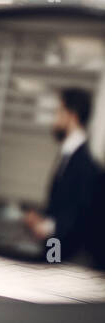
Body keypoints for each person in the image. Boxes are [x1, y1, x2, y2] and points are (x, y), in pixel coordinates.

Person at [25, 87, 102, 265]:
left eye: (58, 112)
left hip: (65, 258)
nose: (54, 119)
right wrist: (42, 220)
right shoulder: (67, 156)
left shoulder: (85, 165)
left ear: (72, 116)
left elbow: (79, 218)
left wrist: (46, 227)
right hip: (54, 250)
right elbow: (62, 206)